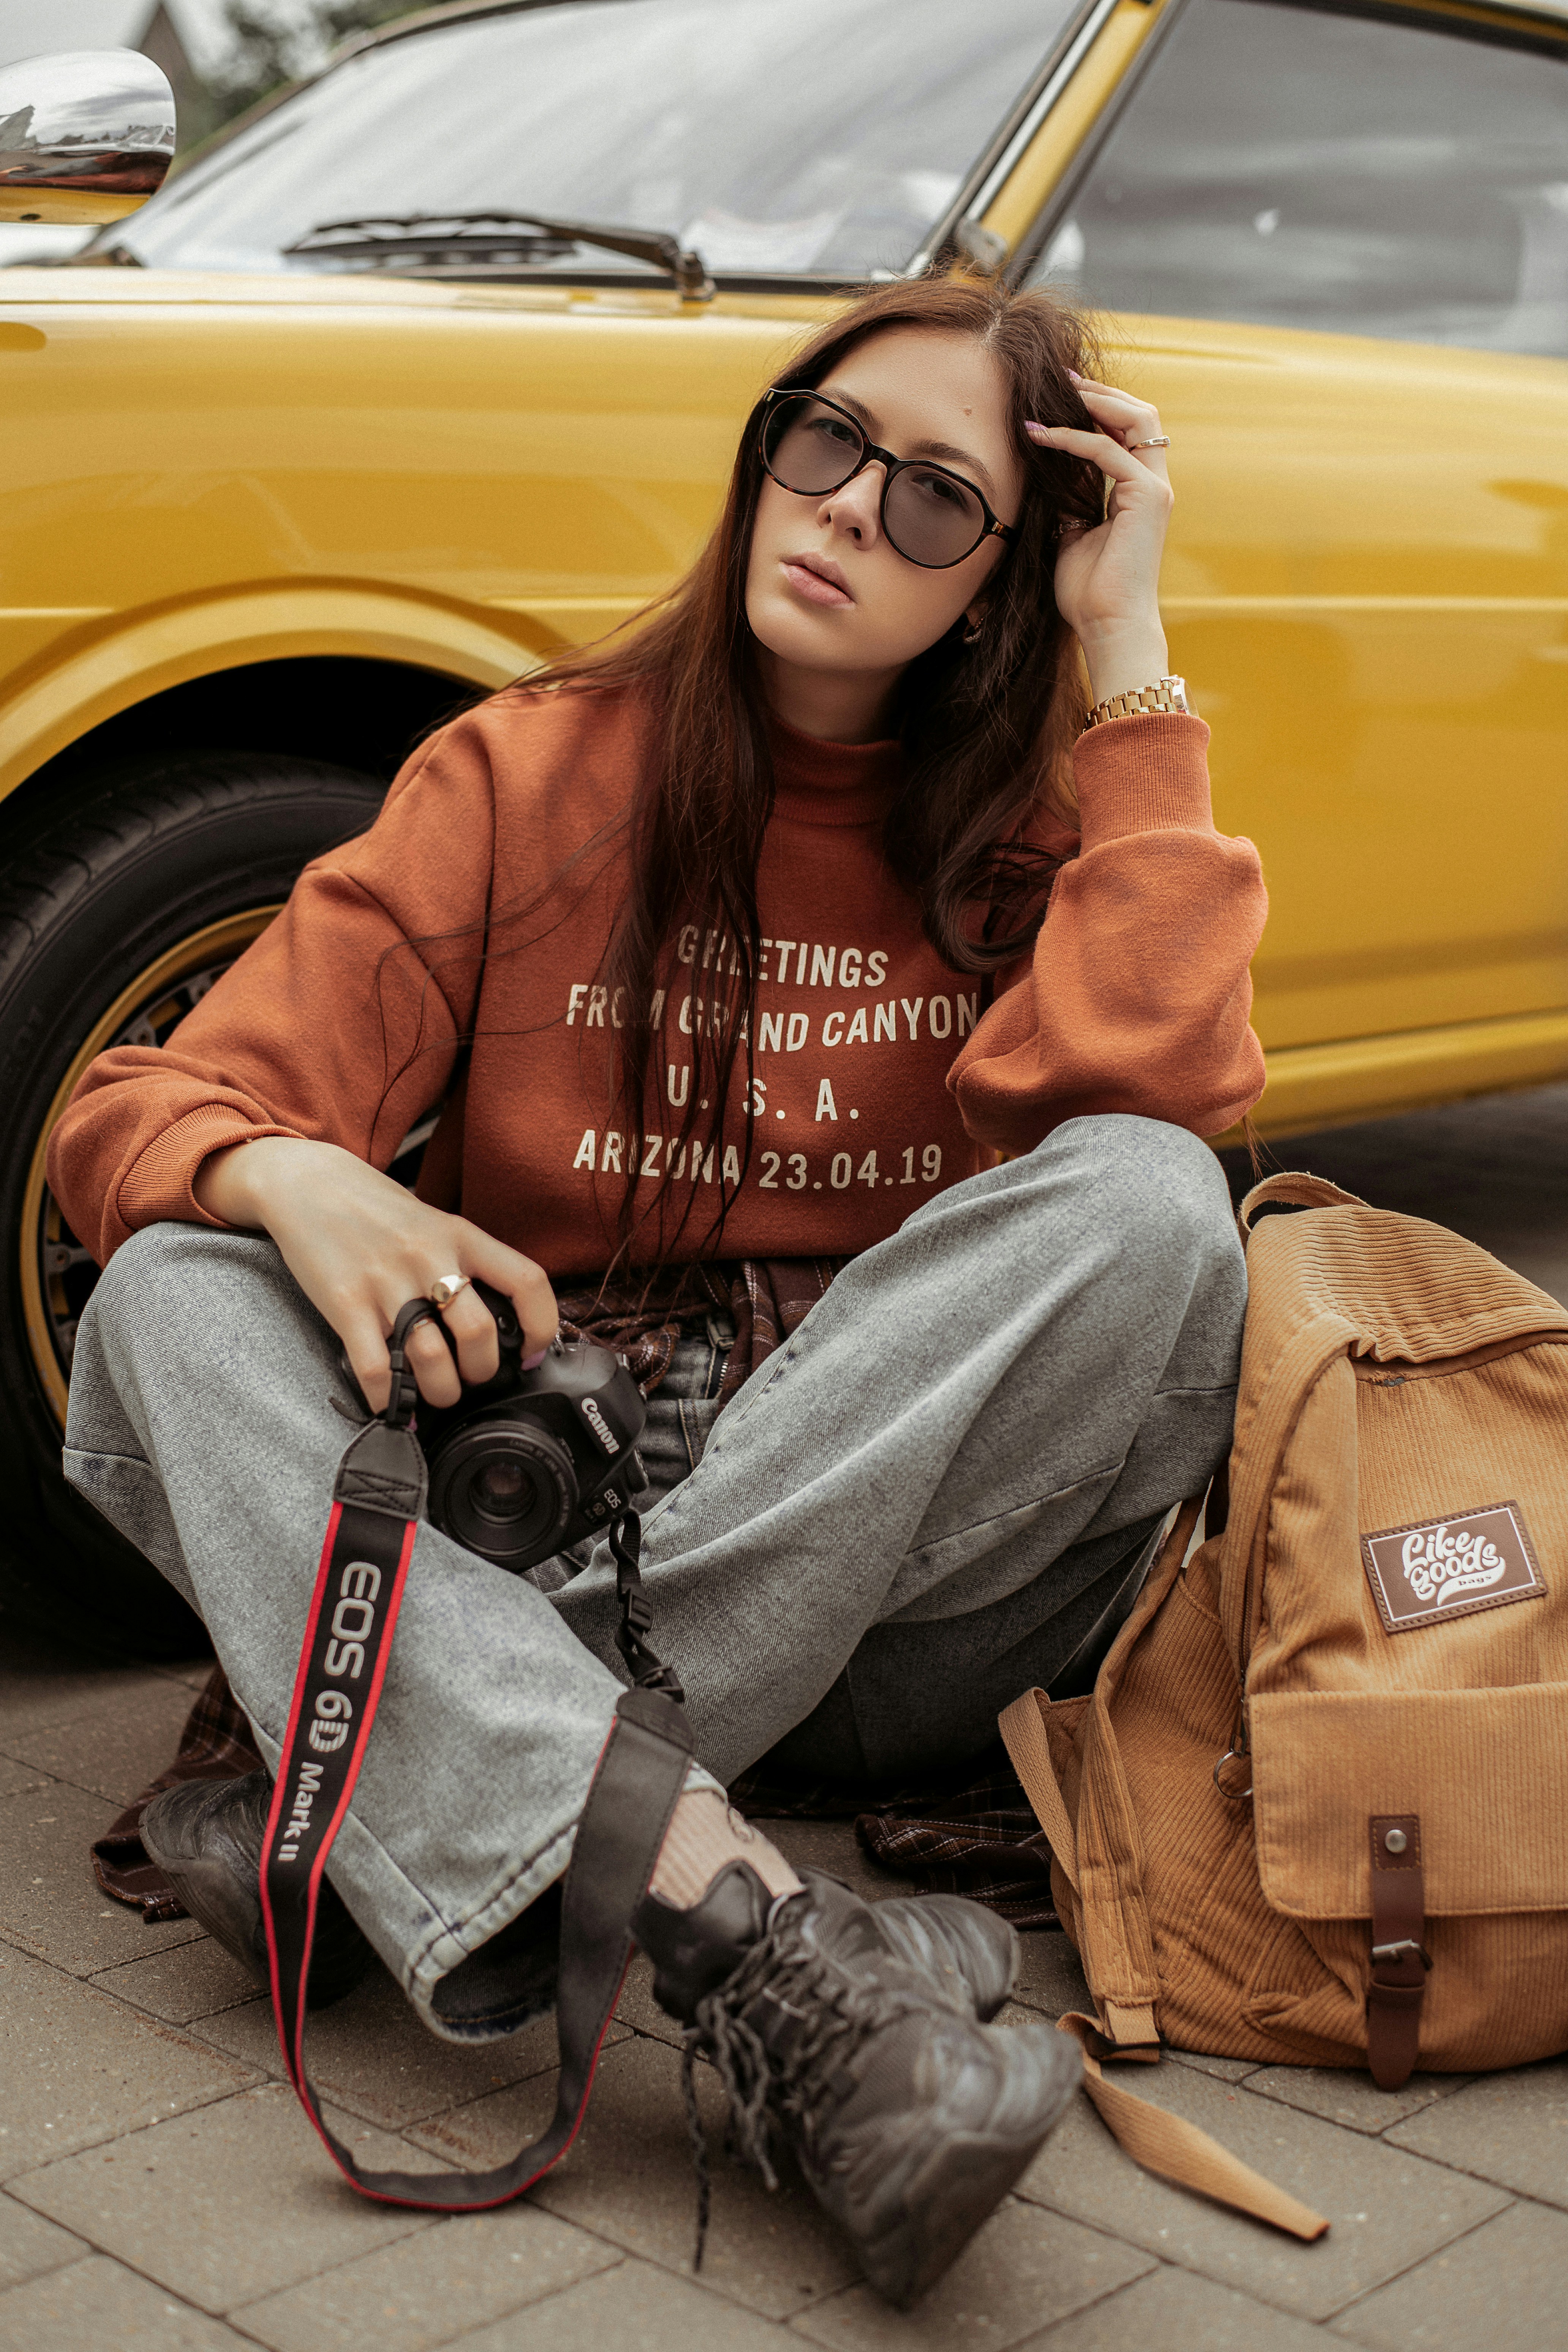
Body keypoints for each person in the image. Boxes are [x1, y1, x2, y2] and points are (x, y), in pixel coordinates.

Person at [49, 274, 1266, 2303]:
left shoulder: (1026, 832)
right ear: (767, 447)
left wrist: (1129, 655)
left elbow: (1165, 1099)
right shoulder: (524, 781)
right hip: (544, 1524)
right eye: (830, 441)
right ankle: (766, 1950)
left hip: (889, 1591)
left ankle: (410, 1774)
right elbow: (136, 1106)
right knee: (172, 1287)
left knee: (1154, 1204)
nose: (858, 510)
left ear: (996, 585)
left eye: (945, 501)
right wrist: (293, 1175)